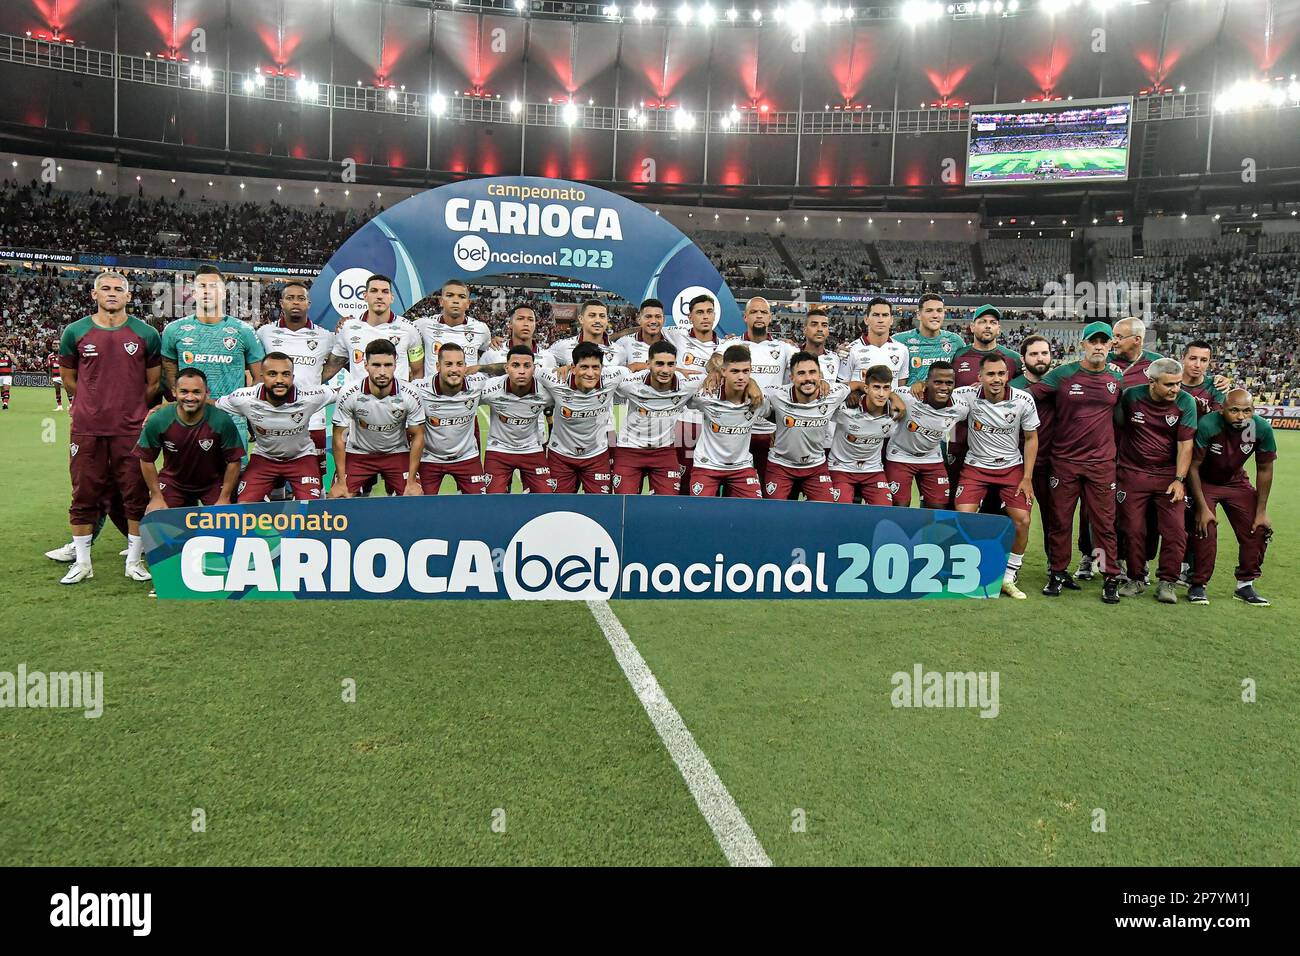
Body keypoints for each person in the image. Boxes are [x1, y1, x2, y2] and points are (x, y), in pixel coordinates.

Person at [56, 271, 162, 585]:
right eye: (105, 289)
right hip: (87, 428)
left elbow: (154, 382)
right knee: (84, 493)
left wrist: (129, 408)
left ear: (129, 296)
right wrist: (90, 404)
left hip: (130, 429)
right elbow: (69, 378)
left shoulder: (146, 333)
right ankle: (83, 563)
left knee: (135, 494)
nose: (112, 293)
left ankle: (133, 562)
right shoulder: (76, 331)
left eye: (118, 289)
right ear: (94, 295)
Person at [1031, 322, 1123, 604]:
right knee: (1060, 521)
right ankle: (1058, 572)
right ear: (1082, 344)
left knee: (1104, 524)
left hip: (1101, 464)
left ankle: (1110, 576)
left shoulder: (1117, 379)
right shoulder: (1063, 374)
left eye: (1104, 342)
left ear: (1110, 346)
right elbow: (1028, 393)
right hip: (1065, 462)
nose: (1098, 346)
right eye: (1093, 341)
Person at [951, 353, 1040, 599]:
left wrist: (1027, 477)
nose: (996, 379)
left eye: (1001, 374)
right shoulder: (966, 395)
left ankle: (1008, 577)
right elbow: (945, 402)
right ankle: (968, 570)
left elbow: (1032, 438)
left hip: (1011, 468)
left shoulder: (1023, 399)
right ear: (979, 377)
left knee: (1022, 519)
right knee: (964, 517)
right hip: (975, 467)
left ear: (1008, 375)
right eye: (990, 374)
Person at [1114, 358, 1198, 603]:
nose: (1176, 389)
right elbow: (1116, 427)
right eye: (1169, 384)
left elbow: (1185, 446)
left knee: (1175, 530)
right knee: (1132, 529)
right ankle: (1135, 579)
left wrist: (1179, 479)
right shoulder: (1131, 397)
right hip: (1132, 474)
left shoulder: (1186, 401)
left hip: (1168, 477)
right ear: (1151, 382)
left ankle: (1168, 583)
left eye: (1178, 384)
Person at [1187, 389, 1275, 606]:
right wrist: (1202, 507)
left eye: (1247, 411)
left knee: (1258, 528)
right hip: (1205, 481)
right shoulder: (1209, 425)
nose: (1241, 416)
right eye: (1234, 410)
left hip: (1236, 482)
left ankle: (1245, 585)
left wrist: (1261, 511)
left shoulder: (1261, 427)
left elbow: (1264, 468)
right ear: (1222, 410)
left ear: (1254, 411)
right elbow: (1194, 468)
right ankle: (1198, 584)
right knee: (1206, 526)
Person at [160, 266, 265, 449]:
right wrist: (178, 396)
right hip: (189, 418)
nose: (207, 290)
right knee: (187, 475)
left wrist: (245, 406)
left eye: (213, 286)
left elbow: (260, 375)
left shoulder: (244, 331)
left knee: (234, 475)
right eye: (202, 286)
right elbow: (168, 364)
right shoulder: (174, 330)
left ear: (224, 293)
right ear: (193, 292)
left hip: (231, 421)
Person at [217, 353, 336, 502]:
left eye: (285, 374)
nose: (279, 380)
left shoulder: (311, 395)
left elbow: (343, 393)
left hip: (301, 457)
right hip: (264, 458)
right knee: (245, 505)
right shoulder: (243, 398)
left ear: (293, 377)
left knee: (310, 510)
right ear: (262, 376)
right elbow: (214, 404)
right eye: (272, 374)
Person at [135, 368, 243, 509]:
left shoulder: (222, 420)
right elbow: (146, 459)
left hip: (213, 483)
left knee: (224, 523)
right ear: (174, 392)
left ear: (206, 393)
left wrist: (224, 497)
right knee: (158, 517)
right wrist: (156, 496)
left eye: (196, 392)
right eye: (184, 391)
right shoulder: (159, 419)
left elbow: (234, 460)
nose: (190, 397)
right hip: (174, 482)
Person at [330, 339, 425, 497]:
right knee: (336, 497)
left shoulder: (411, 394)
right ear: (366, 365)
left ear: (395, 365)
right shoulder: (349, 393)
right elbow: (339, 436)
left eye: (388, 365)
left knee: (414, 496)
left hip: (396, 452)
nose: (382, 372)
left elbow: (418, 435)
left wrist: (411, 481)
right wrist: (340, 481)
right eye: (376, 365)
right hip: (359, 453)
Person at [256, 281, 336, 467]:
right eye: (290, 298)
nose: (296, 302)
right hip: (274, 416)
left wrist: (319, 379)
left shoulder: (325, 337)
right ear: (281, 303)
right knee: (274, 476)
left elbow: (336, 362)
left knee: (314, 475)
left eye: (301, 298)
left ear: (308, 303)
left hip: (312, 419)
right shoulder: (265, 333)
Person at [612, 339, 706, 495]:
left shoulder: (688, 383)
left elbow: (722, 375)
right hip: (629, 451)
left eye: (671, 364)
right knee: (624, 505)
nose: (665, 370)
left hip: (664, 452)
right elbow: (599, 377)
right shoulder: (629, 383)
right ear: (648, 363)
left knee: (667, 506)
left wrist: (751, 384)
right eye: (659, 364)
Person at [721, 296, 796, 486]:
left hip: (771, 432)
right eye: (754, 312)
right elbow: (713, 363)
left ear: (770, 318)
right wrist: (750, 382)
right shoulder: (732, 345)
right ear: (745, 317)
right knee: (735, 488)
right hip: (737, 430)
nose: (759, 316)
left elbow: (806, 370)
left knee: (767, 488)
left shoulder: (784, 348)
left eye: (763, 312)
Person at [762, 352, 857, 502]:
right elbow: (751, 390)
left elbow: (854, 385)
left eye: (812, 372)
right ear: (791, 378)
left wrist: (892, 397)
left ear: (820, 375)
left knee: (827, 511)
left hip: (815, 466)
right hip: (781, 465)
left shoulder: (832, 393)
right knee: (773, 513)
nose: (808, 378)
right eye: (801, 373)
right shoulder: (777, 393)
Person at [537, 341, 629, 493]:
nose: (590, 373)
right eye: (584, 367)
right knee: (558, 509)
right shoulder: (553, 377)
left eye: (595, 367)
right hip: (560, 455)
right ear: (573, 368)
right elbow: (528, 372)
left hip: (597, 456)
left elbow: (643, 376)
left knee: (600, 510)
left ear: (602, 368)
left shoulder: (615, 375)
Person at [685, 345, 767, 498]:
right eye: (734, 371)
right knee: (700, 513)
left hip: (741, 467)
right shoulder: (706, 395)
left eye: (745, 371)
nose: (741, 377)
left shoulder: (759, 398)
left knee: (754, 513)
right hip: (707, 465)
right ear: (723, 371)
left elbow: (781, 411)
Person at [409, 343, 488, 495]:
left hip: (466, 457)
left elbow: (511, 369)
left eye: (459, 364)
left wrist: (479, 368)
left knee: (480, 506)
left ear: (466, 366)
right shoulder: (419, 389)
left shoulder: (477, 385)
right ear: (438, 366)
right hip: (429, 459)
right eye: (448, 364)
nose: (454, 370)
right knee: (421, 507)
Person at [884, 362, 964, 509]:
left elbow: (957, 423)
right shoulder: (908, 397)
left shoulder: (961, 407)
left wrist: (951, 442)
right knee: (899, 506)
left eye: (949, 383)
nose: (944, 387)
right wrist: (893, 396)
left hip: (932, 457)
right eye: (938, 382)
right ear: (927, 383)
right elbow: (882, 390)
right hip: (900, 455)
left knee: (939, 507)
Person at [665, 294, 726, 485]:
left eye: (709, 312)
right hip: (684, 421)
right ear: (690, 316)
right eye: (700, 312)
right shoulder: (676, 335)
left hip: (714, 423)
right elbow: (642, 330)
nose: (705, 316)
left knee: (708, 480)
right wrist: (678, 369)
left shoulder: (725, 345)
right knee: (680, 480)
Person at [479, 345, 555, 494]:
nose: (521, 371)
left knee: (546, 498)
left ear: (534, 368)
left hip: (532, 449)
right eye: (515, 365)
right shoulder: (489, 389)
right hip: (498, 450)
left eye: (527, 366)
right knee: (493, 501)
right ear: (506, 368)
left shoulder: (546, 392)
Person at [323, 274, 425, 384]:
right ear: (365, 296)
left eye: (385, 291)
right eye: (374, 291)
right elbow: (331, 368)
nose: (379, 296)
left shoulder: (409, 329)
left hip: (397, 400)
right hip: (359, 399)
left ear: (392, 298)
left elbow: (418, 372)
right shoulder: (348, 328)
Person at [828, 364, 898, 506]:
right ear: (866, 388)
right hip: (841, 468)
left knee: (885, 508)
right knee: (841, 509)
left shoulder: (896, 412)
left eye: (886, 388)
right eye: (876, 387)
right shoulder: (845, 408)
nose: (881, 394)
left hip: (873, 470)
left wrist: (897, 398)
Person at [414, 278, 492, 367]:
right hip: (434, 381)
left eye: (462, 296)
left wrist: (494, 341)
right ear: (441, 301)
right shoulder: (423, 325)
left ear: (468, 303)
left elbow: (488, 352)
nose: (455, 300)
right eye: (450, 295)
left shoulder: (481, 329)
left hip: (467, 381)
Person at [892, 293, 965, 385]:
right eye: (929, 311)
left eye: (939, 311)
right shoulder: (899, 341)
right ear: (918, 315)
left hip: (943, 397)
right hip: (908, 398)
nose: (935, 315)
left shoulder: (955, 341)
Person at [839, 297, 909, 389]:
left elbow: (900, 387)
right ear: (866, 319)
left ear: (891, 320)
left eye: (885, 315)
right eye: (876, 315)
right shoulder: (850, 349)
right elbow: (843, 386)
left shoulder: (902, 350)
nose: (880, 320)